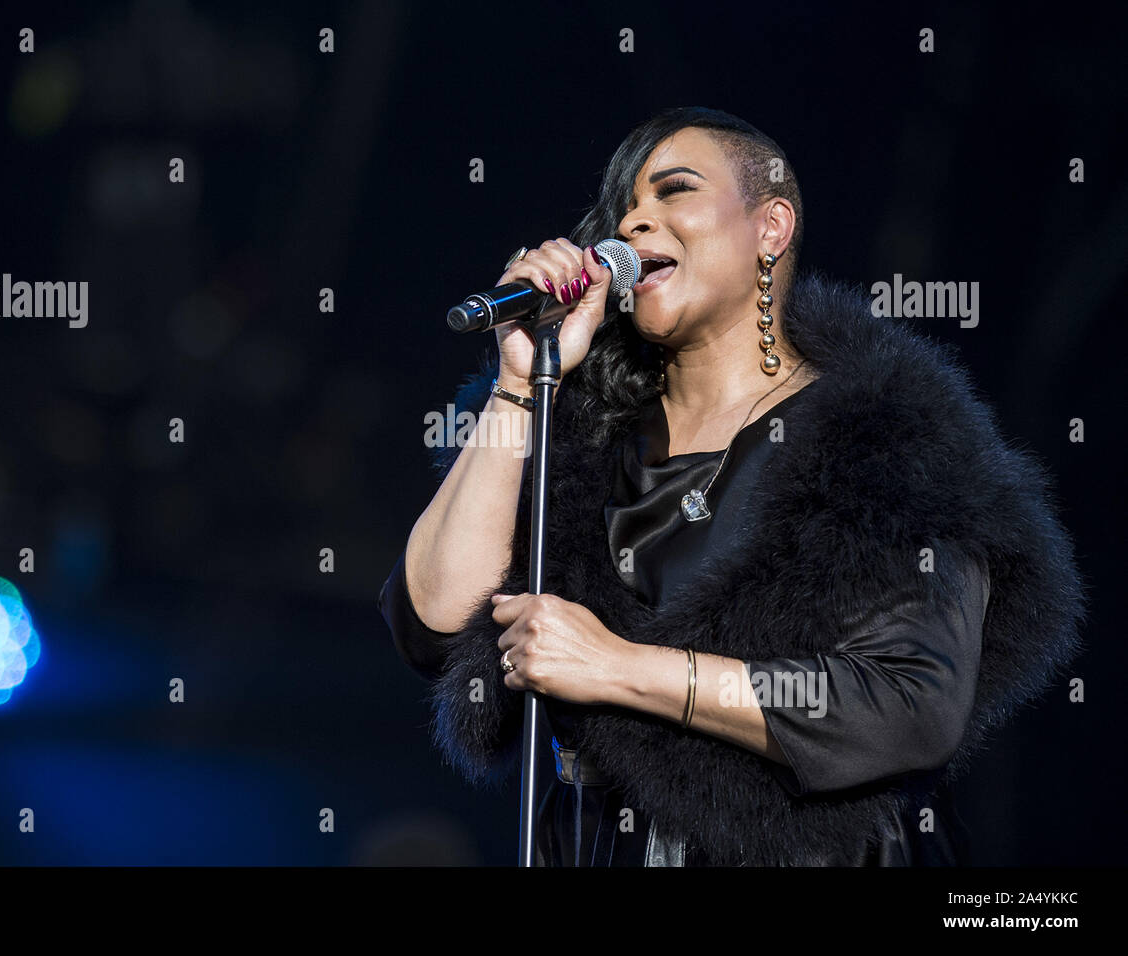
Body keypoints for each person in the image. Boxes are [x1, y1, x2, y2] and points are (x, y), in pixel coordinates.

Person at [378, 106, 1086, 866]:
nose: (634, 224)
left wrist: (619, 667)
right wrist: (520, 377)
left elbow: (910, 706)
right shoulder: (578, 433)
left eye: (672, 191)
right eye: (623, 212)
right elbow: (436, 624)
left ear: (771, 227)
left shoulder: (885, 438)